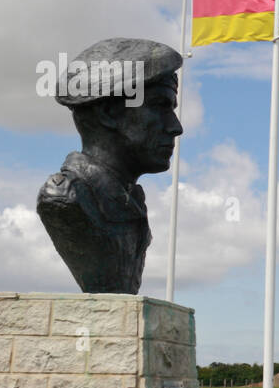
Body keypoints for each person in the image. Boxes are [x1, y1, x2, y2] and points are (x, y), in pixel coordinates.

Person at [37, 38, 184, 294]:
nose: (175, 127)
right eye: (160, 106)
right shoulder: (66, 197)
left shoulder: (132, 198)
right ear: (109, 112)